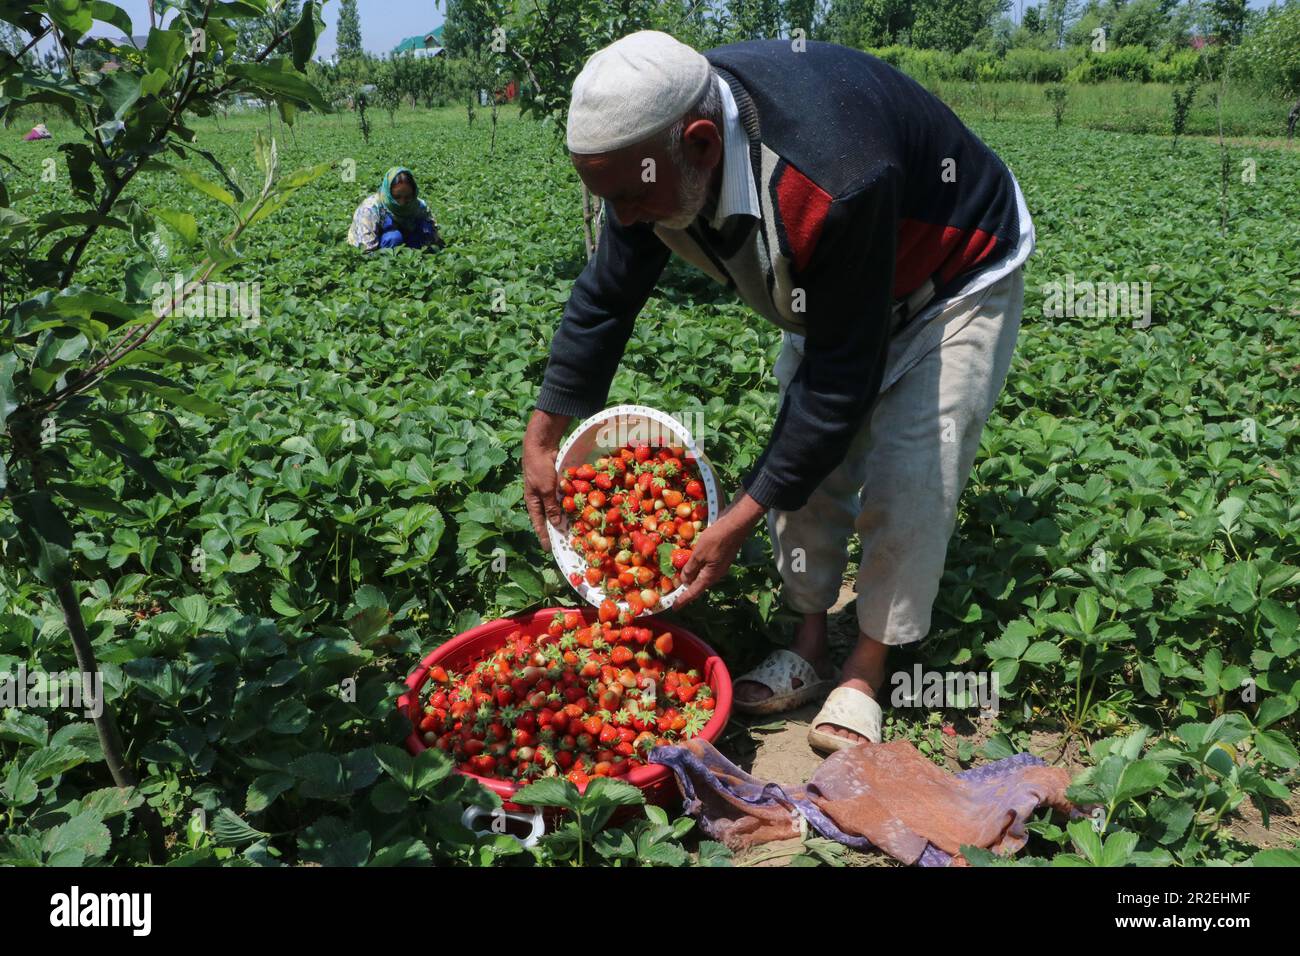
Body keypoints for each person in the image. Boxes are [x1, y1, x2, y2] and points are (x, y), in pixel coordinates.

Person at [522, 32, 1035, 755]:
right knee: (805, 468)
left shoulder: (834, 175)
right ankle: (808, 636)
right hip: (833, 285)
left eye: (630, 198)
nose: (624, 216)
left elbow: (838, 382)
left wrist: (739, 516)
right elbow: (607, 296)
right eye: (609, 198)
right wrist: (545, 434)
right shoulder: (649, 162)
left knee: (913, 473)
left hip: (952, 271)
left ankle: (864, 669)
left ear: (701, 144)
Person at [347, 167, 444, 252]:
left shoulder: (419, 206)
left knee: (425, 228)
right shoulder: (370, 209)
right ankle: (392, 262)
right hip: (381, 246)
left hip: (408, 241)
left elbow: (435, 236)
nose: (402, 202)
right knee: (393, 238)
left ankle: (416, 257)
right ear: (388, 193)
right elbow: (366, 249)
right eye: (397, 197)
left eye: (407, 197)